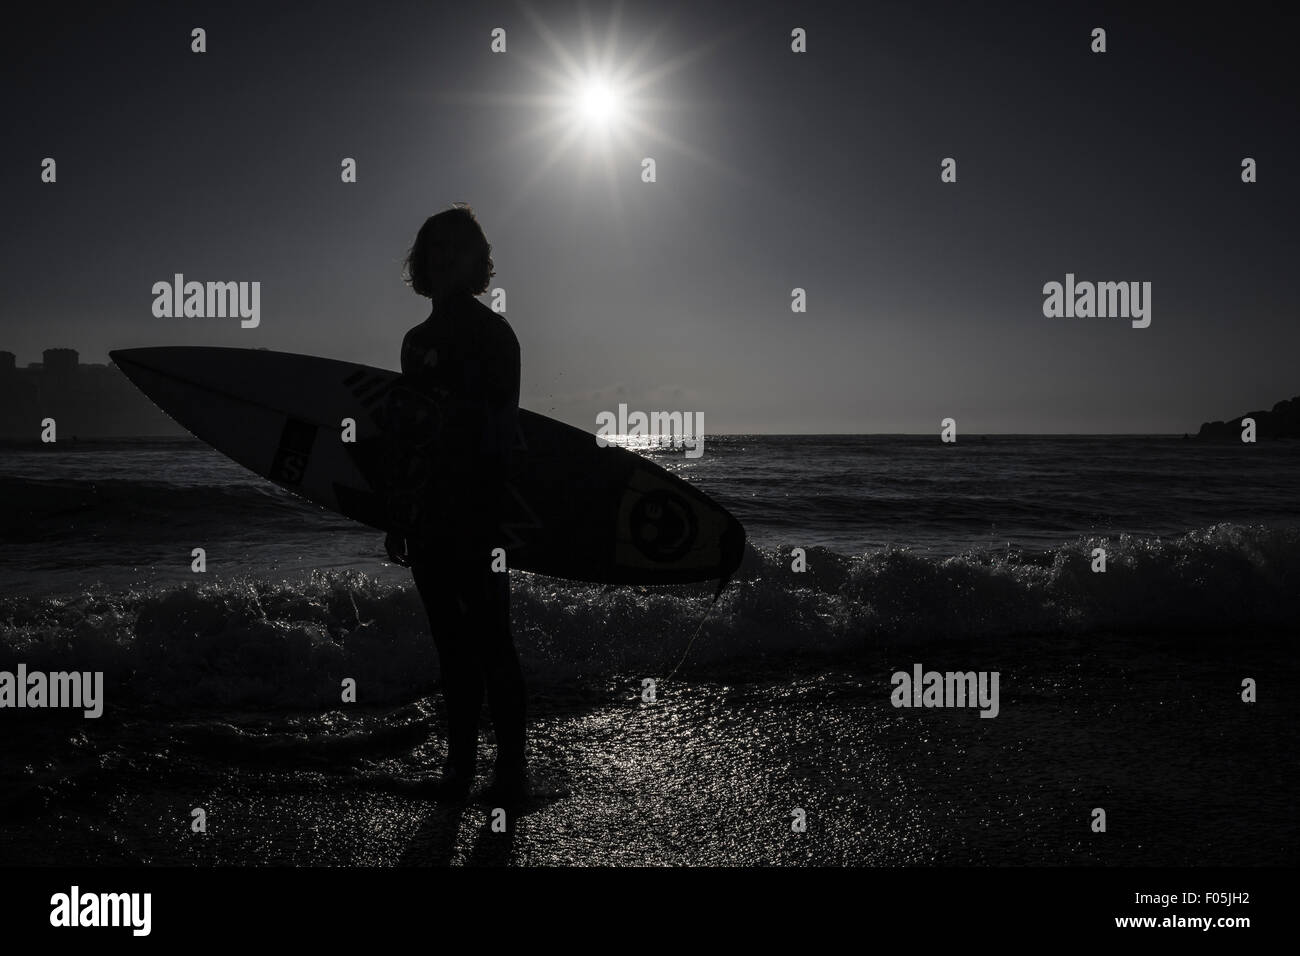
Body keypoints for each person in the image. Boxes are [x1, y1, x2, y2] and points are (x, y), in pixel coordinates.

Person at [383, 204, 527, 808]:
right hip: (429, 511)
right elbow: (407, 435)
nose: (443, 259)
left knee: (493, 638)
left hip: (480, 510)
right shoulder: (415, 344)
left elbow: (502, 430)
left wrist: (500, 517)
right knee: (450, 643)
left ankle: (512, 773)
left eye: (456, 249)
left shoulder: (494, 336)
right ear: (421, 261)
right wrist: (397, 511)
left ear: (476, 261)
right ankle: (460, 766)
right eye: (433, 248)